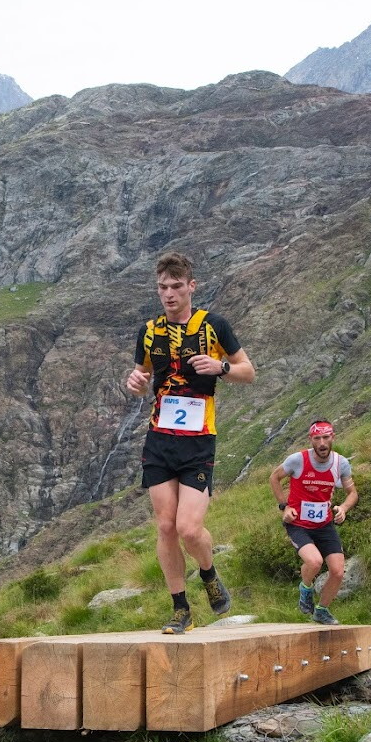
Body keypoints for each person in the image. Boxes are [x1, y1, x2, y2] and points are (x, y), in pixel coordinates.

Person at [125, 251, 254, 634]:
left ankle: (209, 573)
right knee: (165, 526)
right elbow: (139, 375)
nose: (169, 294)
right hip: (160, 438)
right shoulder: (149, 331)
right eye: (162, 287)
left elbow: (248, 371)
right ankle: (180, 608)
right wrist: (134, 384)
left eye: (176, 287)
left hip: (199, 440)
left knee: (189, 529)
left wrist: (222, 368)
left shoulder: (214, 326)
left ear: (191, 286)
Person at [269, 419, 359, 624]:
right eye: (317, 438)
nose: (322, 443)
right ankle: (306, 587)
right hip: (298, 524)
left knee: (337, 571)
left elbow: (352, 493)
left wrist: (343, 508)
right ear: (311, 439)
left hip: (324, 524)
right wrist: (285, 506)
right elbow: (274, 478)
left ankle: (322, 610)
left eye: (326, 437)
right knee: (315, 561)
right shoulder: (297, 460)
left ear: (332, 437)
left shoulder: (340, 463)